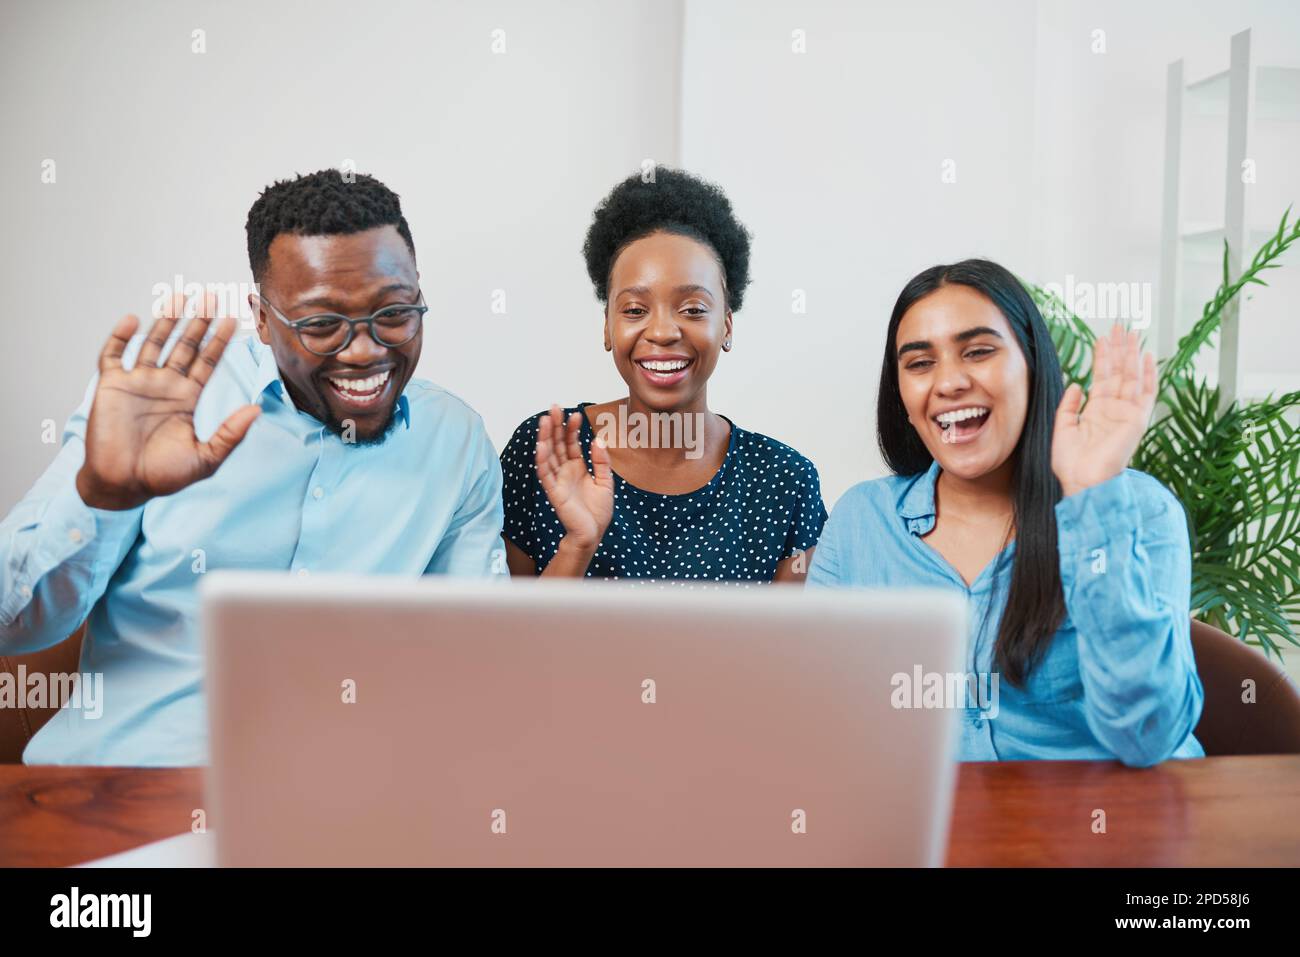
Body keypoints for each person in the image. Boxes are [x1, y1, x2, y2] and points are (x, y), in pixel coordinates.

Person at [0, 170, 505, 765]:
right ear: (262, 319)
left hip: (333, 810)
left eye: (394, 314)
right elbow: (18, 626)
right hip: (124, 790)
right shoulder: (160, 404)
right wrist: (101, 495)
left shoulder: (456, 439)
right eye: (321, 325)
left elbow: (474, 658)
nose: (366, 350)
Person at [808, 259, 1203, 766]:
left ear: (1031, 365)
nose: (949, 383)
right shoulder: (861, 522)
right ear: (902, 395)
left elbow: (1149, 737)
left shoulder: (1139, 510)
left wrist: (1091, 498)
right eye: (920, 363)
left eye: (978, 352)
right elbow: (823, 714)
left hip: (1104, 829)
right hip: (940, 832)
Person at [501, 168, 825, 581]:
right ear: (607, 326)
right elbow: (505, 642)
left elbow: (794, 645)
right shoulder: (547, 450)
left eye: (692, 309)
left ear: (726, 325)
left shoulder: (783, 482)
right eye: (635, 310)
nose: (662, 332)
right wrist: (578, 544)